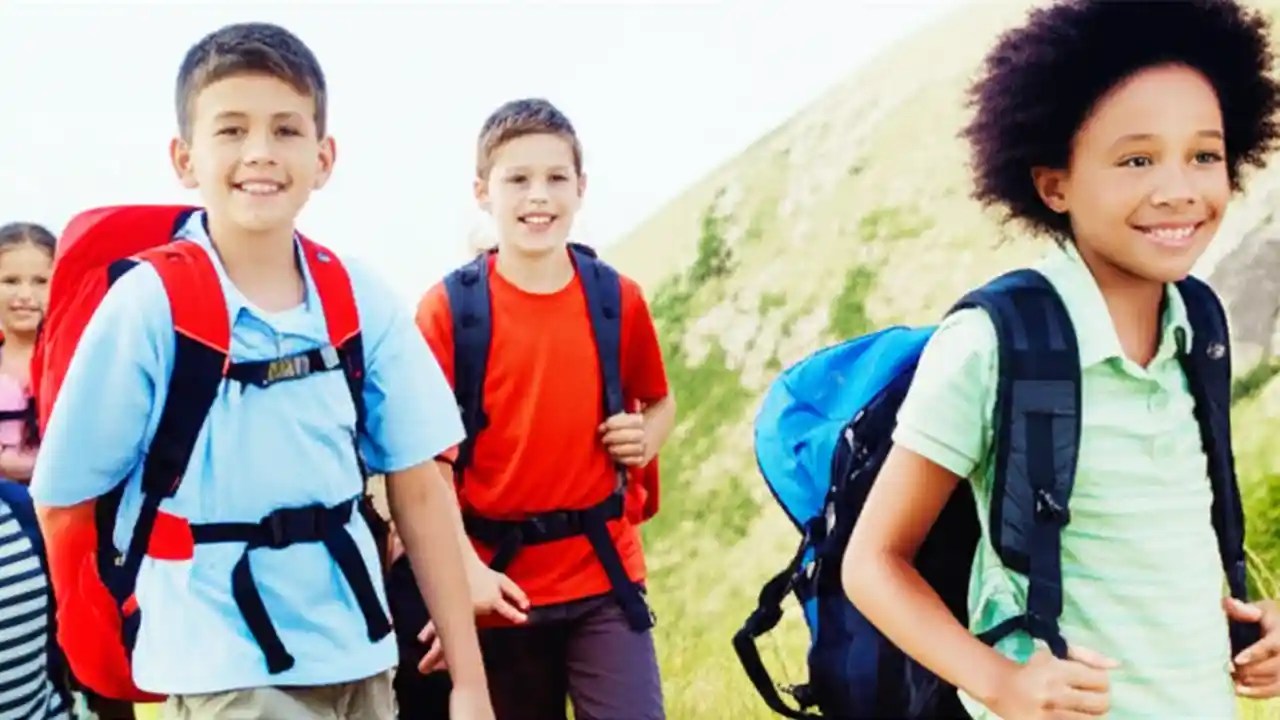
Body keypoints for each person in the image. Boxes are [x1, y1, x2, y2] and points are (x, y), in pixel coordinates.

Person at [28, 22, 493, 720]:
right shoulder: (149, 308)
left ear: (324, 156)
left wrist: (470, 683)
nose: (259, 153)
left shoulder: (358, 296)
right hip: (220, 659)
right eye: (231, 129)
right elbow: (64, 496)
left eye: (285, 129)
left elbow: (420, 489)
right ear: (184, 158)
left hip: (359, 649)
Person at [841, 0, 1280, 718]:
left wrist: (1245, 624)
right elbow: (873, 563)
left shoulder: (1198, 325)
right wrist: (999, 681)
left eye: (1205, 154)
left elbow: (1164, 539)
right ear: (1055, 184)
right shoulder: (993, 343)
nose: (1179, 190)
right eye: (1137, 159)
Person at [406, 97, 677, 720]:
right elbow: (426, 467)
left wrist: (647, 436)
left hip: (606, 575)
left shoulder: (617, 299)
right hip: (496, 586)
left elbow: (660, 401)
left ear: (581, 189)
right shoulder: (447, 312)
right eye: (517, 180)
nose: (539, 197)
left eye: (556, 178)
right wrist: (463, 575)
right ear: (483, 192)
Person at [0, 222, 72, 720]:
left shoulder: (74, 353)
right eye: (10, 282)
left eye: (39, 281)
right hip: (9, 540)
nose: (25, 295)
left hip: (69, 528)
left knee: (86, 655)